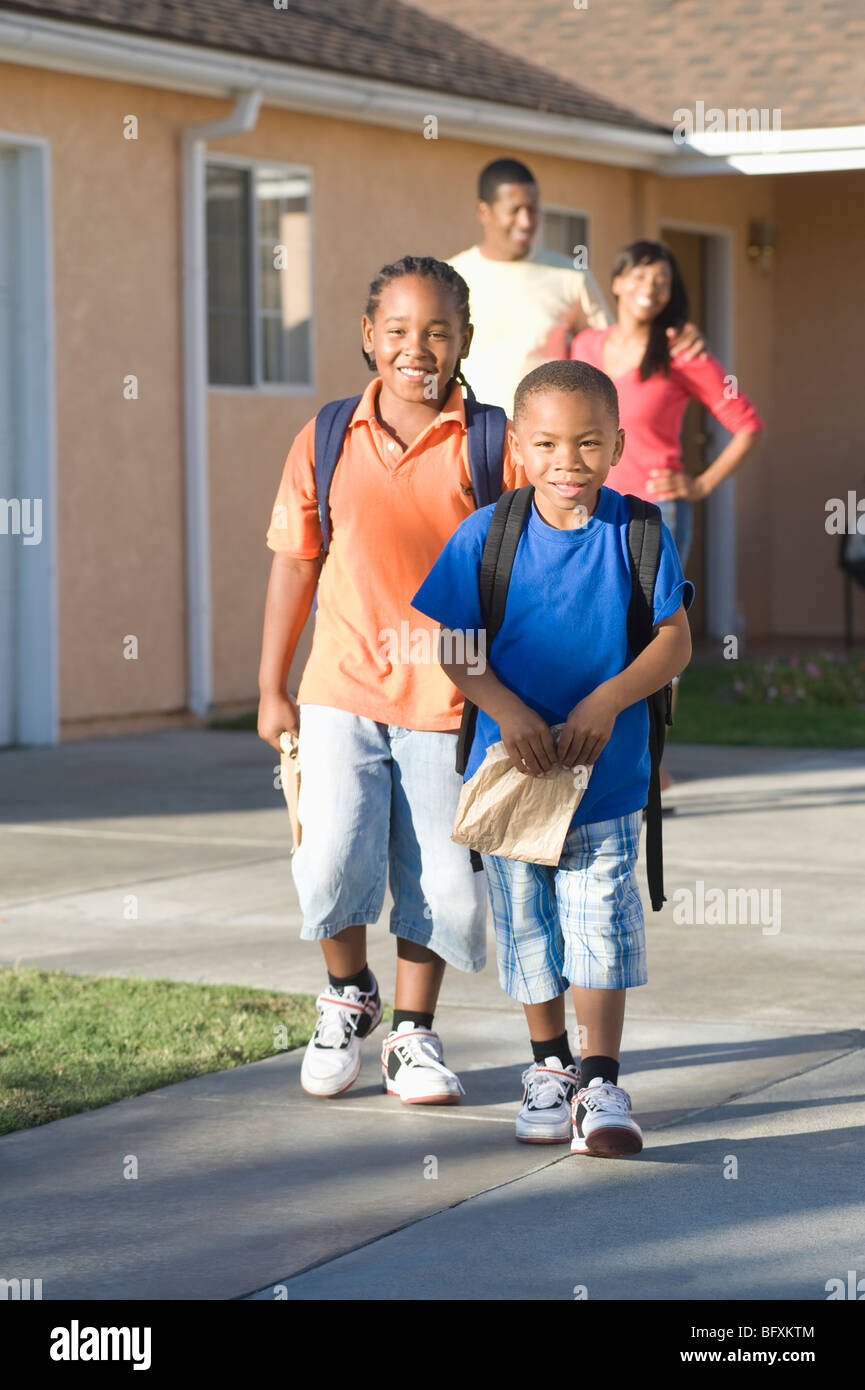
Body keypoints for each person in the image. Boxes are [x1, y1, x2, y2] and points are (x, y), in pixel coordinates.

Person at [411, 359, 694, 1156]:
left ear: (616, 446)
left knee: (599, 923)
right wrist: (504, 709)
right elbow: (455, 644)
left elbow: (674, 641)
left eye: (588, 444)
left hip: (604, 782)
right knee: (528, 932)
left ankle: (601, 1082)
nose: (567, 461)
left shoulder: (638, 532)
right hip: (514, 781)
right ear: (519, 451)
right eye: (546, 444)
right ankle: (549, 1068)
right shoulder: (487, 536)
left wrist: (607, 700)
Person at [257, 255, 520, 1106]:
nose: (418, 348)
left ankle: (411, 1033)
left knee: (442, 886)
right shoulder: (327, 435)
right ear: (368, 337)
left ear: (465, 340)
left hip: (451, 703)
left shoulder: (494, 443)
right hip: (339, 687)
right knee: (330, 862)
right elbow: (296, 566)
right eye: (399, 331)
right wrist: (271, 686)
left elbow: (539, 556)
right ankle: (347, 994)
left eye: (438, 331)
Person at [570, 240, 763, 787]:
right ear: (617, 281)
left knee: (658, 635)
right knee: (598, 628)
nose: (650, 290)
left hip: (657, 514)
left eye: (662, 282)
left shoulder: (682, 351)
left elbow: (746, 423)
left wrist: (700, 482)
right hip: (590, 507)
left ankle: (651, 761)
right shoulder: (587, 343)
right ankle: (604, 745)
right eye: (640, 277)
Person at [448, 158, 703, 415]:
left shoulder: (570, 275)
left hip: (545, 439)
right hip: (472, 432)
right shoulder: (452, 278)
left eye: (533, 210)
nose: (526, 221)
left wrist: (677, 332)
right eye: (515, 210)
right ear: (484, 212)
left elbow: (615, 345)